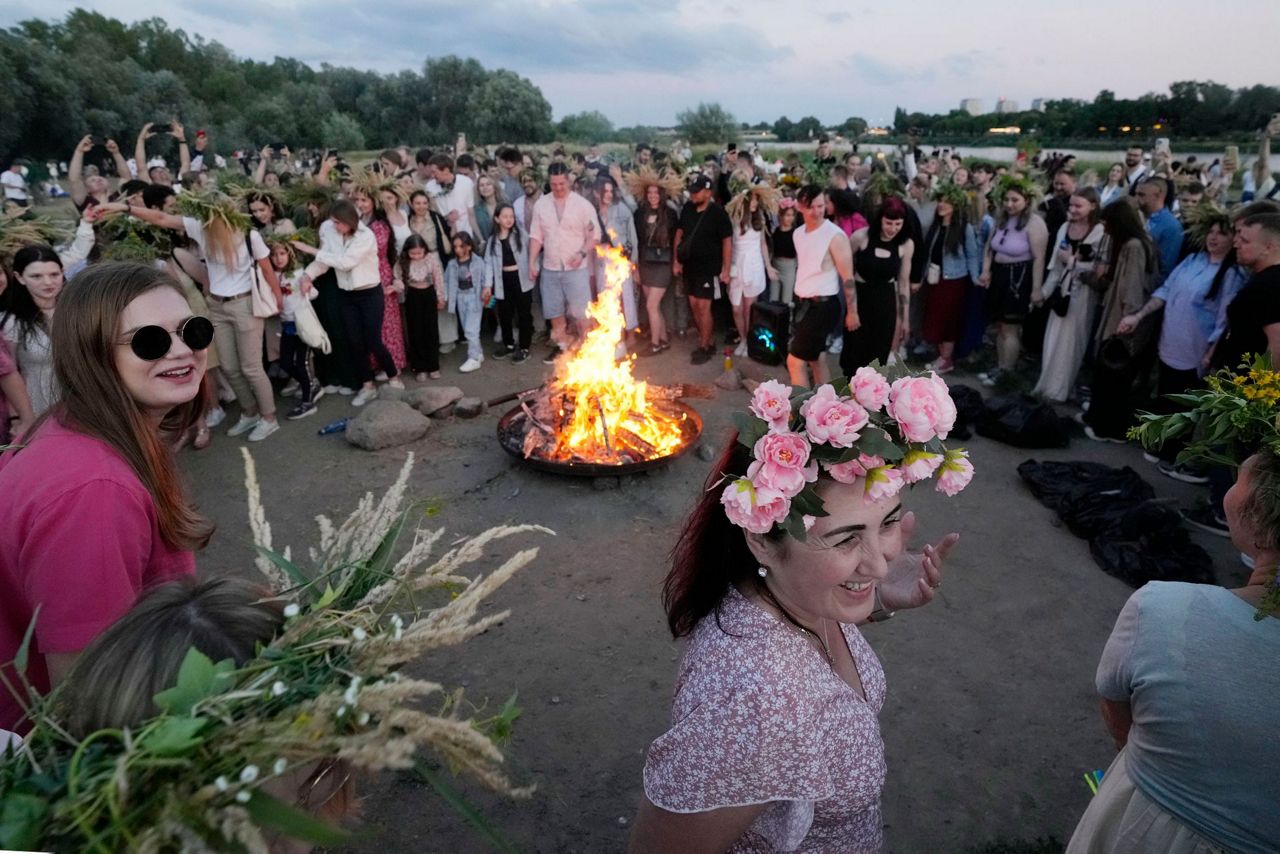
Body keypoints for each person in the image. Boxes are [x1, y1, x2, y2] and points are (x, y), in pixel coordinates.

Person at [628, 370, 966, 852]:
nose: (881, 558)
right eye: (847, 538)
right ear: (762, 538)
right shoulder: (755, 707)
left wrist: (877, 597)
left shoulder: (796, 594)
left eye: (888, 523)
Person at [0, 262, 213, 734]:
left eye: (192, 331)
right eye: (149, 341)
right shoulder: (94, 493)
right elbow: (88, 691)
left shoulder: (77, 428)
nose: (182, 350)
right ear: (92, 354)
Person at [1066, 449, 1280, 853]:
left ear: (1259, 518)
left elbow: (1119, 720)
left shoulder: (1163, 610)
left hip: (1139, 832)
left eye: (1241, 476)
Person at [105, 194, 284, 441]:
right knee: (231, 368)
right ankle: (250, 412)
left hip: (245, 304)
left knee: (251, 367)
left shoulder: (248, 235)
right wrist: (124, 207)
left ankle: (269, 417)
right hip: (217, 307)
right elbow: (161, 217)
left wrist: (278, 298)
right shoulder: (201, 229)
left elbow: (266, 268)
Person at [293, 200, 396, 408]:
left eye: (338, 223)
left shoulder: (365, 236)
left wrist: (309, 249)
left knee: (373, 340)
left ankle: (393, 376)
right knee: (354, 341)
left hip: (369, 293)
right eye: (332, 222)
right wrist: (307, 276)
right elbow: (324, 263)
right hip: (347, 295)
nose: (334, 226)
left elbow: (345, 262)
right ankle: (367, 385)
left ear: (349, 222)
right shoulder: (330, 232)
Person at [1082, 197, 1159, 443]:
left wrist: (1127, 320)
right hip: (1123, 315)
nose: (1104, 228)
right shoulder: (1140, 242)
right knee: (1113, 376)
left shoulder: (1134, 246)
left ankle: (1108, 428)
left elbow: (1133, 288)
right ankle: (1101, 420)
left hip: (1123, 319)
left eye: (1107, 223)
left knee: (1114, 375)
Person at [1033, 188, 1105, 403]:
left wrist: (1072, 261)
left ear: (1092, 206)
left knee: (1072, 343)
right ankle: (1046, 385)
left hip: (1082, 295)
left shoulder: (1100, 232)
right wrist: (1044, 292)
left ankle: (1061, 389)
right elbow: (1056, 265)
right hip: (1060, 293)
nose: (1072, 209)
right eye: (1071, 205)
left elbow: (1098, 268)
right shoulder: (1065, 227)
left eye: (1078, 206)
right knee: (1052, 338)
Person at [977, 179, 1048, 386]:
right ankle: (1000, 366)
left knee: (1011, 328)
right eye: (1006, 199)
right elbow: (990, 247)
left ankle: (1007, 371)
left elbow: (1039, 258)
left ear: (1026, 200)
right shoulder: (1001, 219)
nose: (1009, 204)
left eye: (1015, 200)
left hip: (1018, 278)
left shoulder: (1035, 223)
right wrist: (986, 270)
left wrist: (1036, 289)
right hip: (999, 275)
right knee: (1000, 326)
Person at [529, 162, 600, 363]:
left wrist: (581, 254)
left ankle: (587, 348)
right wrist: (532, 262)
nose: (558, 188)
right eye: (554, 184)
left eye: (561, 183)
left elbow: (594, 236)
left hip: (576, 269)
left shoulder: (582, 205)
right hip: (550, 268)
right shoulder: (541, 204)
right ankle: (562, 347)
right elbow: (536, 236)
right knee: (554, 311)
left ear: (568, 181)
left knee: (581, 312)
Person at [787, 185, 852, 387]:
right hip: (802, 304)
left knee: (795, 362)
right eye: (811, 207)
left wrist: (853, 311)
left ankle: (800, 412)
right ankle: (826, 405)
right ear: (799, 207)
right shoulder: (798, 233)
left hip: (823, 306)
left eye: (821, 206)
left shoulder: (835, 235)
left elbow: (848, 277)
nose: (817, 211)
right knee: (817, 358)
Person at [844, 197, 914, 375]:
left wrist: (905, 319)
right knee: (854, 357)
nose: (893, 229)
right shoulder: (860, 237)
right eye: (888, 223)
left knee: (878, 359)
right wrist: (852, 311)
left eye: (898, 224)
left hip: (885, 303)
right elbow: (847, 275)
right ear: (880, 219)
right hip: (861, 301)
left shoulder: (906, 244)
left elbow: (904, 283)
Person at [919, 184, 982, 375]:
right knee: (935, 316)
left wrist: (975, 278)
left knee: (949, 319)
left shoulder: (964, 228)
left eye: (948, 202)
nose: (942, 205)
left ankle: (947, 358)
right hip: (934, 278)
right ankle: (940, 354)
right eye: (941, 201)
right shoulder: (936, 226)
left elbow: (972, 255)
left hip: (954, 280)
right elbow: (928, 253)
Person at [673, 173, 732, 366]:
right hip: (690, 267)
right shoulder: (688, 209)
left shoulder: (718, 214)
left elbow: (727, 242)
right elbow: (680, 233)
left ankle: (705, 345)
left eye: (697, 192)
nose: (693, 195)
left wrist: (726, 268)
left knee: (703, 307)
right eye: (692, 191)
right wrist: (676, 260)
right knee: (694, 306)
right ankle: (706, 339)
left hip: (709, 269)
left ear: (708, 192)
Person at [269, 241, 323, 420]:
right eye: (275, 255)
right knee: (285, 363)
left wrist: (305, 289)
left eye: (282, 254)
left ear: (290, 255)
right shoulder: (272, 275)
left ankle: (308, 403)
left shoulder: (299, 273)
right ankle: (310, 384)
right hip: (287, 325)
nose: (278, 258)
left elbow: (314, 293)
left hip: (302, 324)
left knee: (303, 363)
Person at [725, 184, 779, 358]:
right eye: (753, 201)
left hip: (754, 265)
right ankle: (742, 338)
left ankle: (748, 341)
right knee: (736, 308)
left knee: (749, 307)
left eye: (757, 201)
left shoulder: (760, 219)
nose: (755, 204)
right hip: (736, 265)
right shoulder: (735, 218)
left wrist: (768, 266)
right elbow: (729, 245)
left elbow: (763, 243)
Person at [632, 171, 680, 356]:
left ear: (661, 194)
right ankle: (664, 340)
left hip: (663, 263)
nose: (653, 196)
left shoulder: (670, 213)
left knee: (651, 305)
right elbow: (636, 240)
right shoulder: (639, 213)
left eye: (656, 193)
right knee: (655, 306)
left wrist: (676, 262)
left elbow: (677, 238)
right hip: (645, 262)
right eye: (650, 193)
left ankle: (655, 344)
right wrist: (635, 266)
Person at [407, 188, 458, 359]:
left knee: (440, 297)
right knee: (423, 300)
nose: (421, 206)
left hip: (435, 259)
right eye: (417, 203)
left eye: (424, 203)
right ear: (411, 204)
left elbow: (447, 239)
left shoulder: (436, 218)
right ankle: (429, 339)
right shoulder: (409, 220)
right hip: (415, 262)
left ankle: (448, 338)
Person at [485, 204, 534, 364]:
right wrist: (487, 284)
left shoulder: (520, 235)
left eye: (511, 216)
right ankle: (509, 344)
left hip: (521, 279)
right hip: (502, 280)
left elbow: (532, 252)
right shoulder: (492, 240)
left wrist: (534, 268)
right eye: (505, 216)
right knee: (505, 313)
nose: (509, 219)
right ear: (497, 219)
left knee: (524, 313)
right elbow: (488, 263)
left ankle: (525, 347)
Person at [395, 233, 445, 380]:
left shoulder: (431, 259)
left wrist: (440, 297)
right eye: (413, 253)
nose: (416, 256)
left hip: (429, 295)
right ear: (407, 251)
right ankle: (419, 367)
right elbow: (397, 277)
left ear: (425, 250)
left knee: (431, 330)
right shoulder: (402, 262)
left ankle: (433, 366)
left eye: (419, 253)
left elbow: (438, 278)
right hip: (412, 296)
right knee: (415, 331)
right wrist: (397, 286)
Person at [444, 232, 491, 374]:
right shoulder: (452, 264)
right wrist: (445, 296)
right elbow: (447, 281)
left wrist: (486, 289)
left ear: (469, 246)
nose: (458, 249)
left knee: (471, 329)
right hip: (460, 297)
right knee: (467, 327)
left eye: (461, 246)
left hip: (474, 297)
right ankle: (479, 352)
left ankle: (474, 358)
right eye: (455, 247)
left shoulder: (477, 262)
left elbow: (484, 277)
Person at [1136, 178, 1184, 285]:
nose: (1137, 199)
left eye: (1142, 195)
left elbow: (1165, 267)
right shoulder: (1138, 216)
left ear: (1158, 195)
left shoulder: (1171, 226)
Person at [769, 199, 799, 307]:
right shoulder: (775, 231)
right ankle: (774, 322)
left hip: (789, 267)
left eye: (792, 215)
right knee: (773, 298)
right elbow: (772, 250)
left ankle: (786, 322)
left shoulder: (795, 233)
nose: (790, 218)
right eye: (787, 215)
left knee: (787, 300)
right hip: (776, 265)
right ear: (781, 216)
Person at [474, 173, 504, 243]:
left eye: (488, 184)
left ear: (495, 187)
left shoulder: (504, 205)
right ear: (478, 189)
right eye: (481, 185)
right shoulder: (477, 210)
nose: (485, 187)